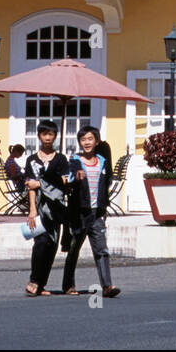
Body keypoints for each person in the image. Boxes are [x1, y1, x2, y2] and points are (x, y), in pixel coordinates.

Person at [61, 126, 121, 298]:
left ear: (96, 141)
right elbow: (70, 179)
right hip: (79, 213)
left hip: (97, 213)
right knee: (74, 250)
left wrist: (105, 208)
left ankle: (107, 286)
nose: (87, 143)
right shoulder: (75, 160)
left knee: (102, 250)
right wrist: (75, 177)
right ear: (79, 142)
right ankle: (68, 284)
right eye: (83, 140)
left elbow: (105, 184)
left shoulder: (102, 161)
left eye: (90, 139)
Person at [23, 121, 71, 297]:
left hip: (56, 208)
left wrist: (40, 183)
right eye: (44, 134)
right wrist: (32, 210)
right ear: (39, 136)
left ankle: (41, 285)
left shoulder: (61, 159)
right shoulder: (32, 160)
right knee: (41, 242)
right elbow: (30, 186)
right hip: (40, 209)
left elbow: (65, 181)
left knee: (51, 245)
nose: (48, 138)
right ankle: (34, 280)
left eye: (51, 134)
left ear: (55, 137)